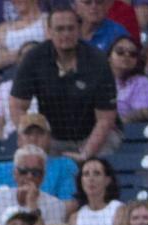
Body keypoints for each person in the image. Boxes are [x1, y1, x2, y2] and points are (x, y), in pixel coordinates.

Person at [9, 7, 118, 159]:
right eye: (60, 29)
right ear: (49, 32)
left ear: (79, 30)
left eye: (70, 28)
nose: (66, 34)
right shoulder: (33, 58)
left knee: (94, 169)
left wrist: (86, 154)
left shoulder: (97, 61)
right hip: (52, 138)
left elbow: (105, 119)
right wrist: (32, 140)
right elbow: (17, 105)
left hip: (94, 135)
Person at [0, 114, 79, 216]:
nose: (34, 139)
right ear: (19, 139)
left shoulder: (63, 165)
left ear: (49, 139)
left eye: (39, 134)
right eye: (28, 134)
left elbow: (69, 206)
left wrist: (32, 219)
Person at [69, 157, 122, 225]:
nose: (91, 179)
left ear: (107, 180)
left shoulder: (118, 209)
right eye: (86, 174)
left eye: (96, 173)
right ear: (81, 181)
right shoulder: (75, 217)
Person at [109, 35, 148, 123]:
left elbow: (145, 112)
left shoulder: (142, 82)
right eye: (120, 51)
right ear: (109, 57)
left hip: (123, 131)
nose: (126, 55)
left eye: (132, 54)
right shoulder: (98, 80)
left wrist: (115, 122)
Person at [0, 0, 46, 73]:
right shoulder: (4, 27)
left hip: (41, 72)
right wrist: (22, 53)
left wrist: (7, 55)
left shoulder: (46, 20)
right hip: (11, 76)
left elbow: (49, 51)